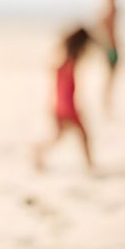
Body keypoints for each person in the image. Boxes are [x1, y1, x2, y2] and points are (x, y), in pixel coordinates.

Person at [34, 25, 95, 171]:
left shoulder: (63, 60)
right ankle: (90, 165)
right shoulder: (69, 62)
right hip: (67, 107)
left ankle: (39, 153)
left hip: (58, 105)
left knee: (60, 136)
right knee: (83, 136)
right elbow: (66, 88)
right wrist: (72, 109)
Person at [97, 0, 120, 115]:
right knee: (109, 78)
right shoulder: (111, 10)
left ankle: (107, 103)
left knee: (110, 78)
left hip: (109, 48)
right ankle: (106, 103)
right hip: (110, 49)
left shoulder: (108, 10)